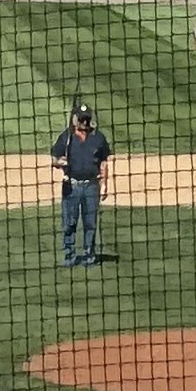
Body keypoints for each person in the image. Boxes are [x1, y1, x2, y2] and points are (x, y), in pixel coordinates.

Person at [50, 104, 112, 269]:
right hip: (71, 185)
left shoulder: (98, 138)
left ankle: (89, 256)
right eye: (82, 119)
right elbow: (55, 159)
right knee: (69, 223)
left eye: (87, 119)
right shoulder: (67, 137)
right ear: (75, 119)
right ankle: (69, 256)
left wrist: (104, 184)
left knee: (90, 223)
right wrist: (60, 162)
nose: (85, 122)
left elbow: (103, 163)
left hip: (91, 186)